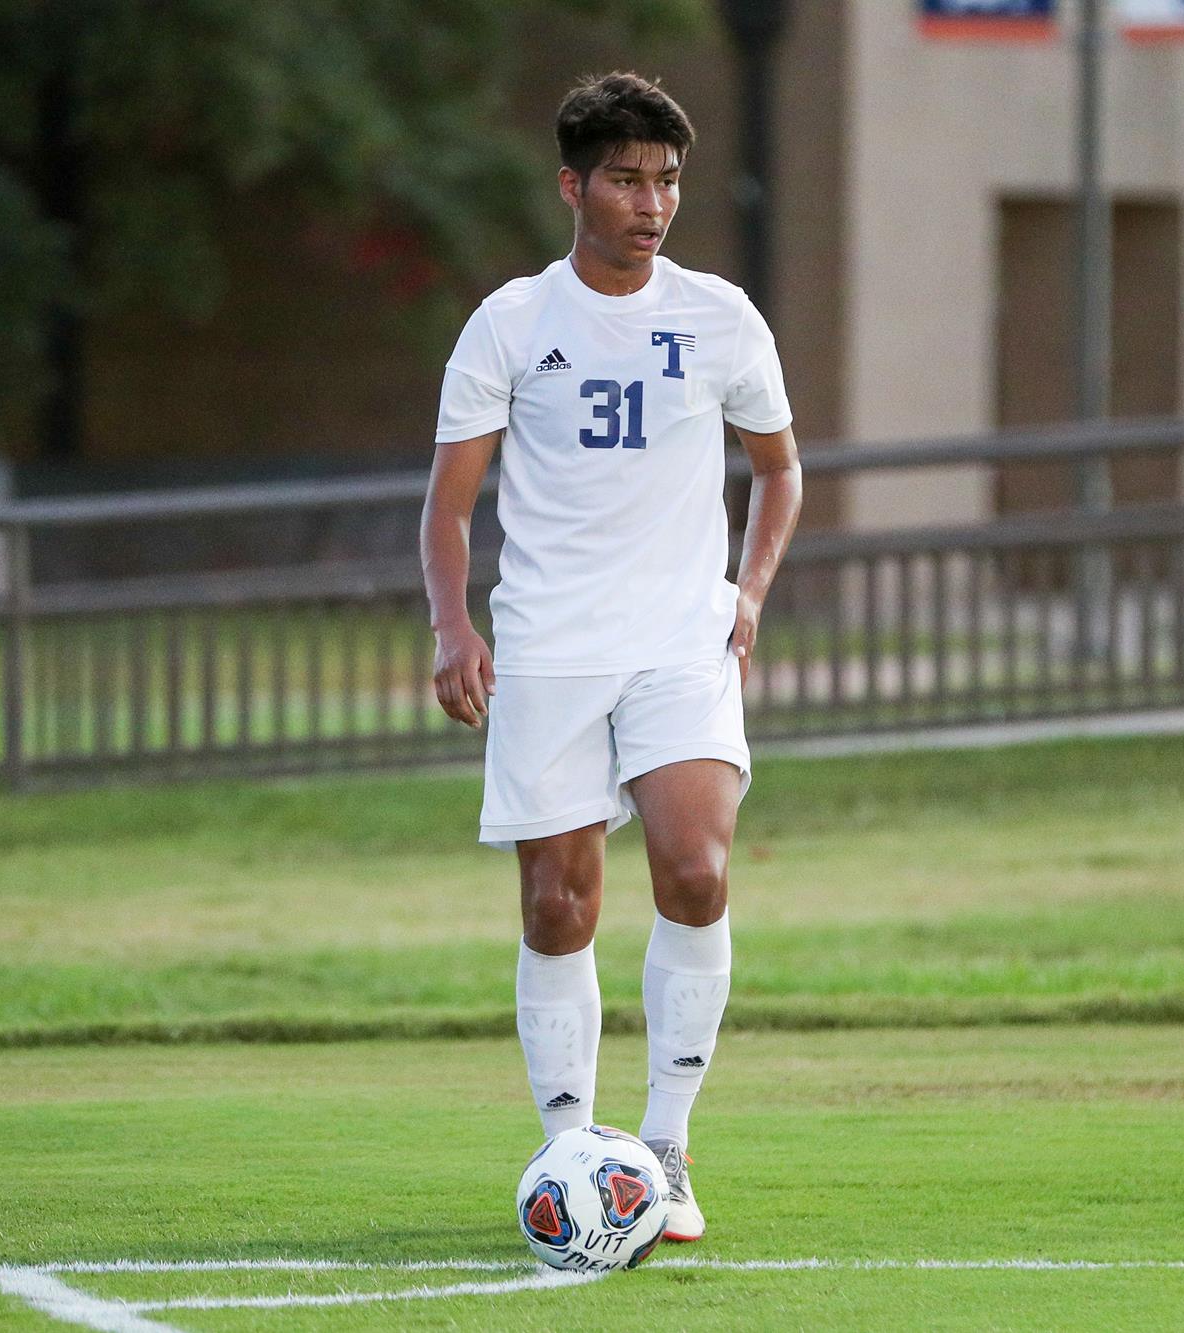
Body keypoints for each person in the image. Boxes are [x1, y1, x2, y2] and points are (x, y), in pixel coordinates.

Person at [419, 72, 803, 1242]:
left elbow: (781, 470)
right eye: (628, 180)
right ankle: (572, 1147)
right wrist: (453, 626)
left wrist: (745, 594)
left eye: (668, 180)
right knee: (555, 904)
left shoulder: (722, 316)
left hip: (678, 639)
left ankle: (668, 1148)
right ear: (572, 186)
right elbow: (446, 508)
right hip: (546, 646)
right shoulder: (510, 323)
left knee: (694, 870)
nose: (652, 202)